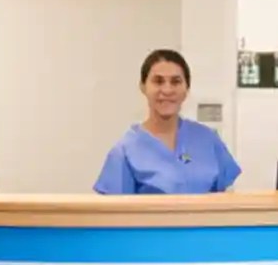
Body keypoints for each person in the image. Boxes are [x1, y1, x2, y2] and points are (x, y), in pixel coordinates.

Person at [94, 49, 241, 195]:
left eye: (176, 82)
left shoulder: (207, 139)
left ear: (186, 88)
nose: (167, 89)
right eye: (158, 81)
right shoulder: (125, 151)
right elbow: (115, 212)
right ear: (143, 87)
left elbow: (226, 199)